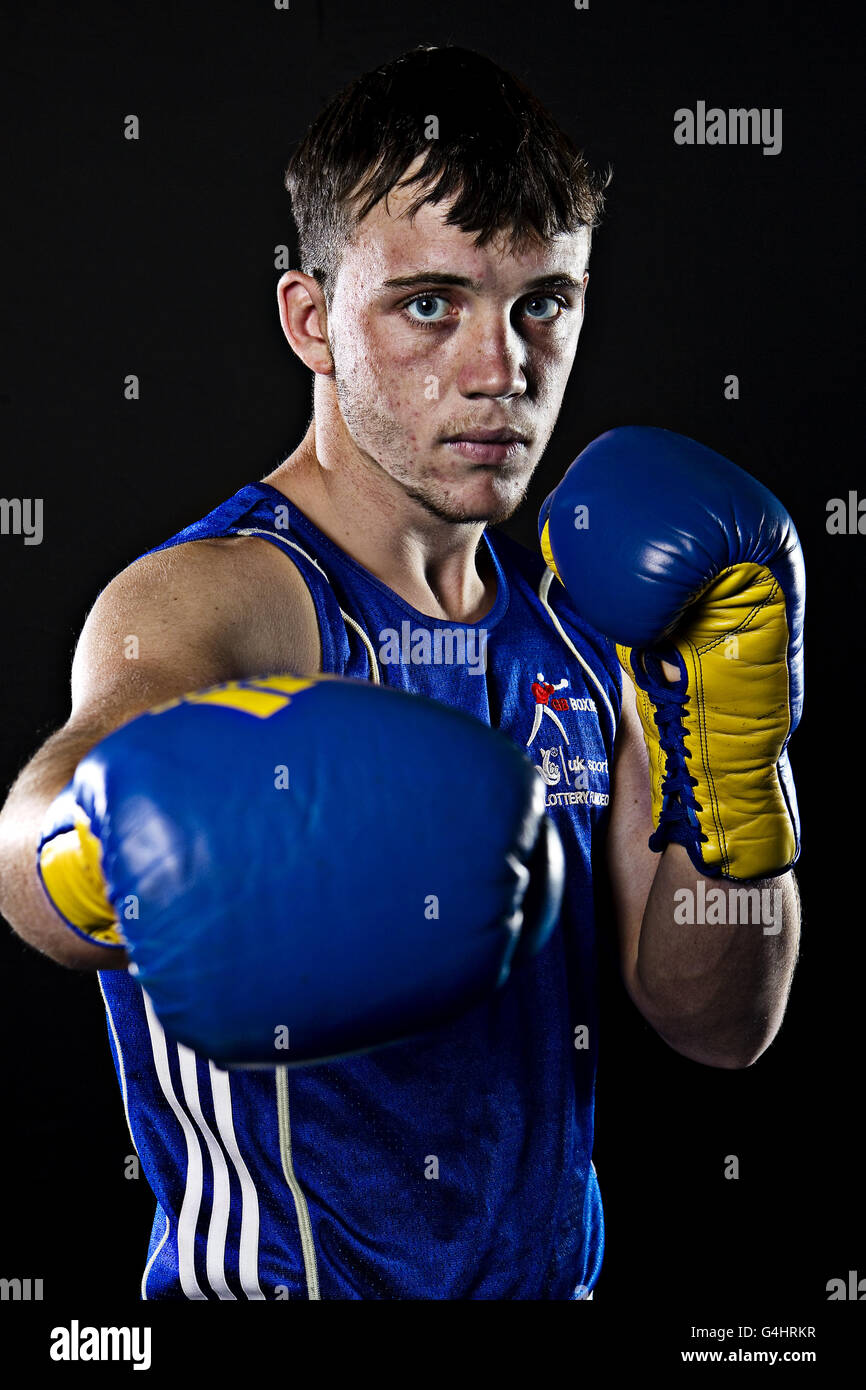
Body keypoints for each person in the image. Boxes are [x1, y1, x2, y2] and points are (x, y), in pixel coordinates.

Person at [0, 44, 802, 1300]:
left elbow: (718, 1022)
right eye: (429, 303)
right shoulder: (231, 596)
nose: (501, 370)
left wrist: (738, 752)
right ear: (310, 319)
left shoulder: (596, 621)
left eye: (542, 301)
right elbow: (37, 844)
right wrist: (114, 846)